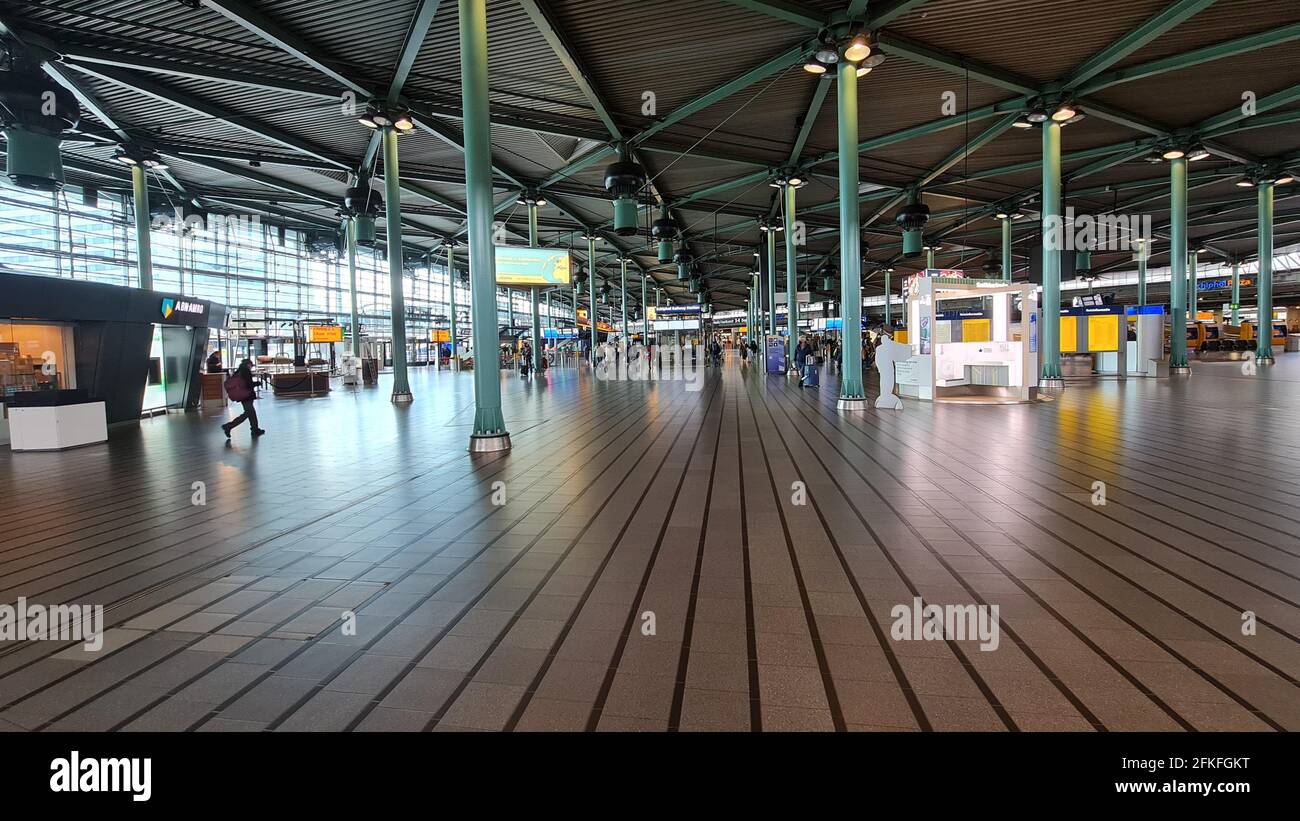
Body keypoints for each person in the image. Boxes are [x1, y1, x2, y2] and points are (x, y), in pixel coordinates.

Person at [221, 359, 264, 439]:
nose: (251, 367)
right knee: (248, 413)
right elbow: (248, 384)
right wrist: (257, 383)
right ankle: (229, 426)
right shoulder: (246, 372)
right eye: (251, 365)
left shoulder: (238, 371)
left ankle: (255, 429)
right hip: (247, 395)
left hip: (242, 395)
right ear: (248, 365)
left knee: (251, 413)